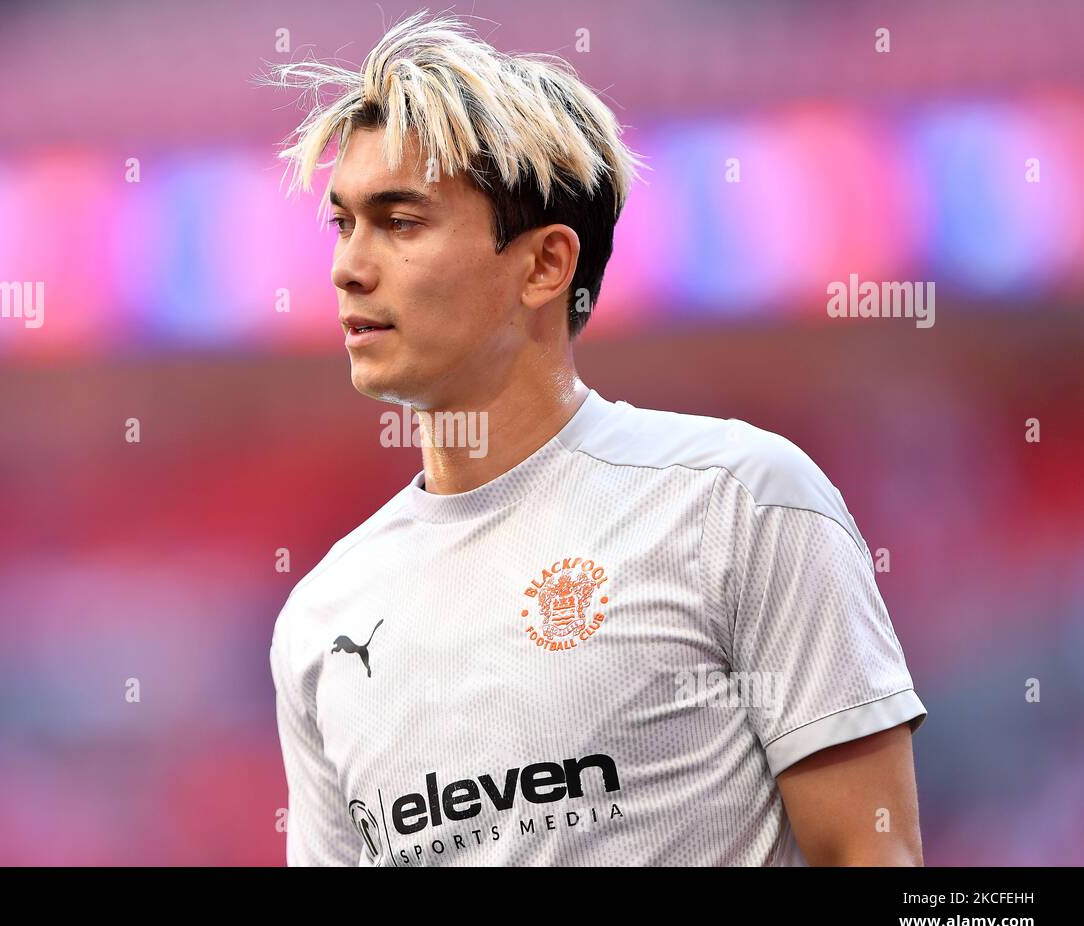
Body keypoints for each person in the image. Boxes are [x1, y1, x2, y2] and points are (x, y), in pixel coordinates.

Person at [261, 10, 926, 866]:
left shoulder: (738, 502)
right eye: (342, 224)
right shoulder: (321, 618)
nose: (348, 266)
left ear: (544, 265)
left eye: (400, 221)